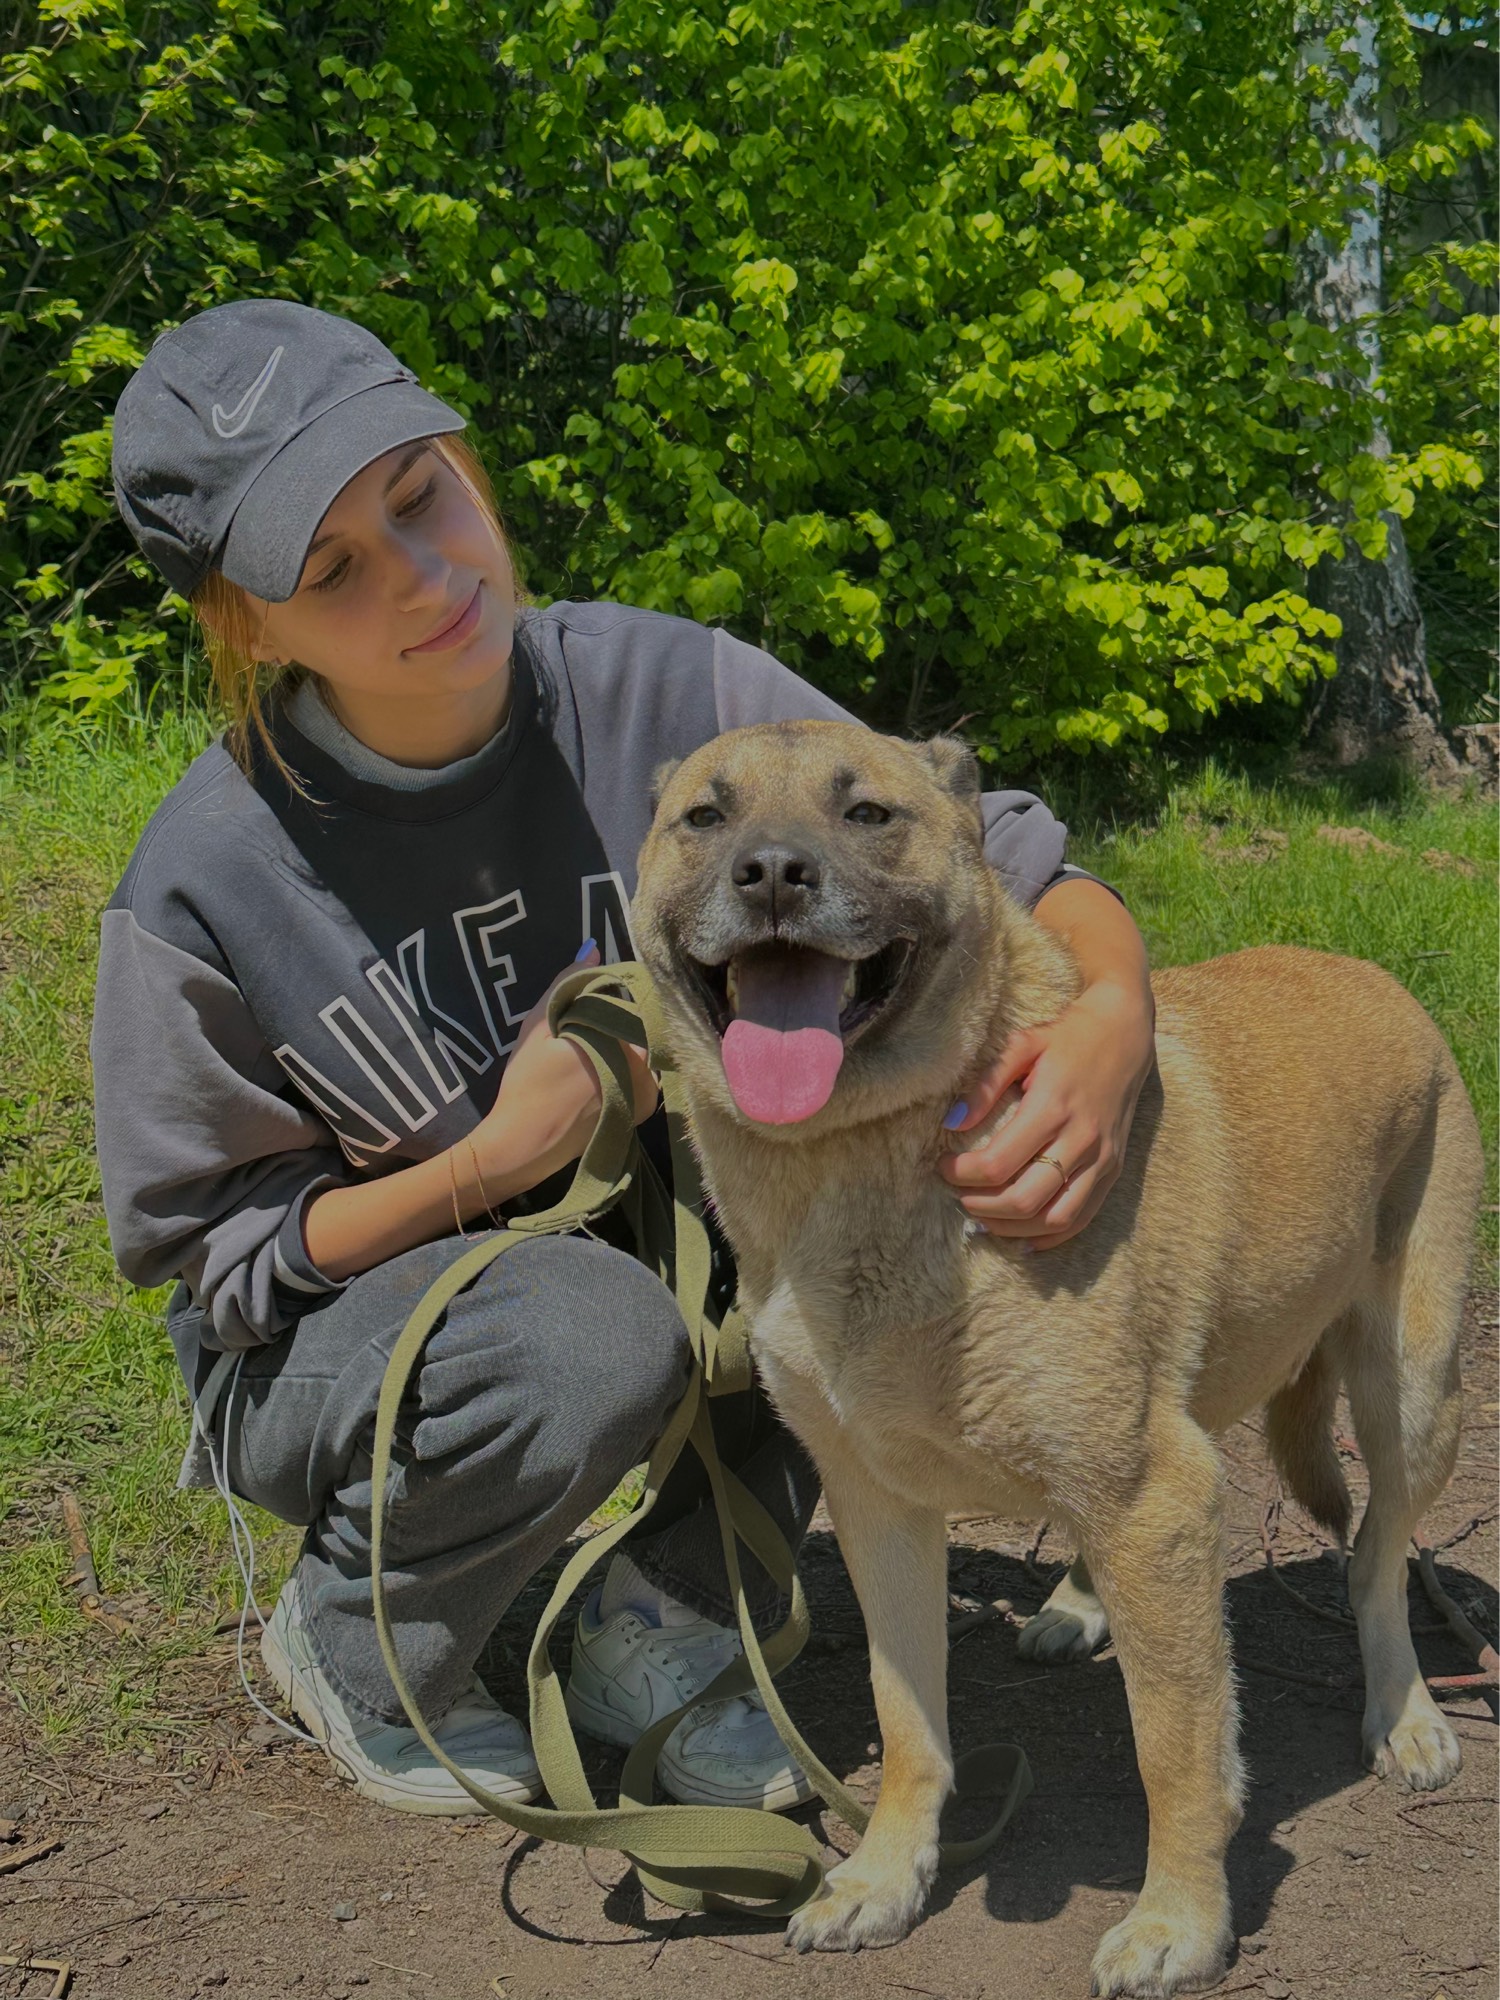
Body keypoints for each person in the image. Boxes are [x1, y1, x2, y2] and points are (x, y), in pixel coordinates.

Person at [94, 298, 1157, 1818]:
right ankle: (359, 1639)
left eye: (420, 496)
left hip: (668, 1264)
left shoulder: (672, 695)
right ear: (247, 625)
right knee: (588, 1331)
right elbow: (228, 1269)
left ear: (464, 459)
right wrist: (484, 1162)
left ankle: (653, 1609)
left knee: (829, 1190)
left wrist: (1115, 1020)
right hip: (351, 1350)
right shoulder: (210, 880)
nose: (423, 576)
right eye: (332, 572)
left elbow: (1011, 861)